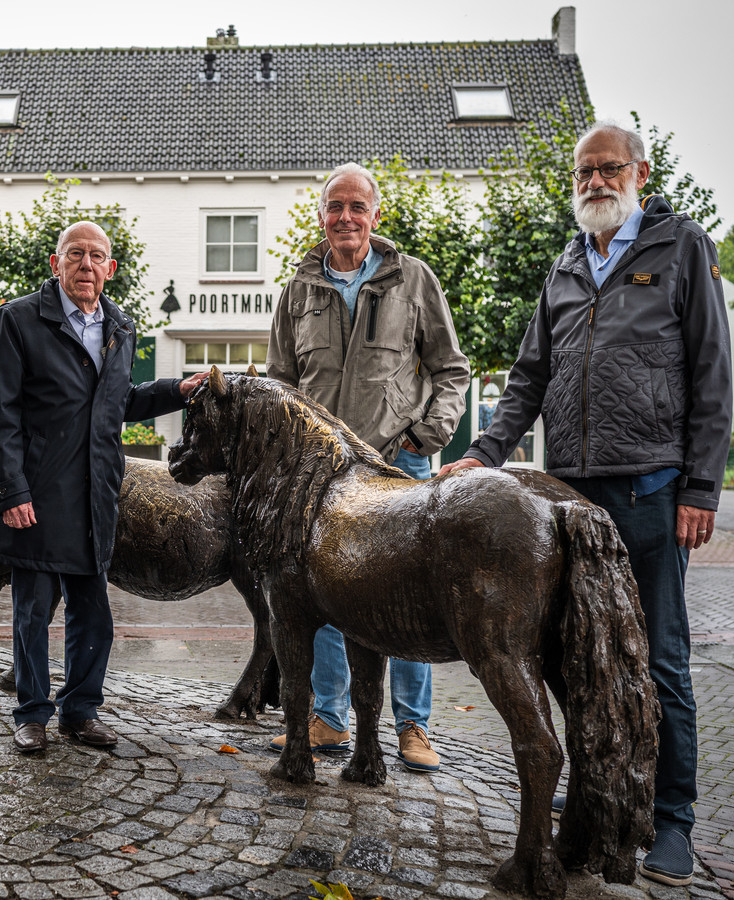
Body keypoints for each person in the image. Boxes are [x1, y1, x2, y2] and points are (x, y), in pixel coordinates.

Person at [441, 122, 732, 886]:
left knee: (658, 659)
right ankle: (599, 801)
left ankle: (672, 821)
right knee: (577, 658)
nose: (595, 182)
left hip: (651, 491)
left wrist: (700, 487)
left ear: (638, 173)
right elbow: (529, 379)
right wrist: (484, 452)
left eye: (608, 170)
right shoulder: (568, 264)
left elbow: (711, 374)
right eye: (585, 173)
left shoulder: (680, 248)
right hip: (568, 498)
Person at [266, 162, 469, 773]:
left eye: (358, 207)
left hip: (397, 469)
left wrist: (424, 436)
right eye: (335, 207)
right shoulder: (299, 288)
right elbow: (280, 381)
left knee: (404, 597)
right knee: (323, 591)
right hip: (321, 477)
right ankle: (328, 719)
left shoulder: (414, 279)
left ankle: (413, 727)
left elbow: (450, 369)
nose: (346, 218)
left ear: (375, 216)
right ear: (321, 216)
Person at [0, 221, 208, 753]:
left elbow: (119, 401)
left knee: (93, 616)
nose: (86, 264)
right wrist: (11, 492)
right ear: (56, 264)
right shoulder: (17, 320)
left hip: (94, 494)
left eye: (97, 256)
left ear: (110, 269)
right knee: (34, 613)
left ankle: (80, 711)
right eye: (75, 254)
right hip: (37, 493)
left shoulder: (119, 328)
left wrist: (178, 389)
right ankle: (32, 713)